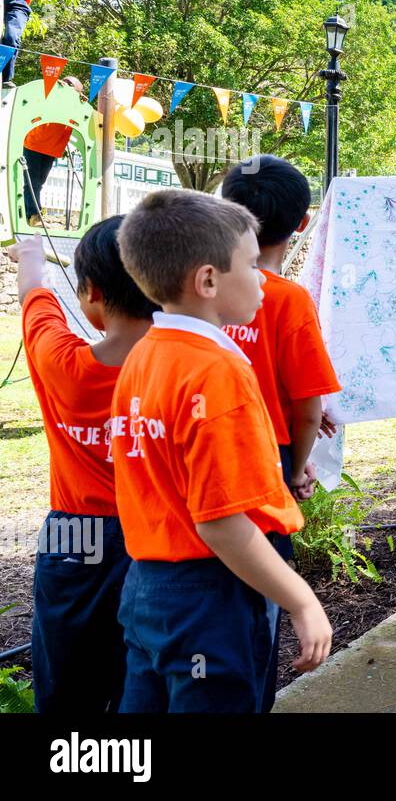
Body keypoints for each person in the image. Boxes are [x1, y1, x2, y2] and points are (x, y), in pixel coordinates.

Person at [111, 189, 332, 712]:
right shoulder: (218, 371)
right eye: (252, 265)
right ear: (208, 281)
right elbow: (222, 523)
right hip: (212, 594)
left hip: (146, 587)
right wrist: (301, 601)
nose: (261, 278)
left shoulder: (143, 357)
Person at [6, 220, 159, 712]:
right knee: (144, 669)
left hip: (73, 532)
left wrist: (30, 254)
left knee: (65, 675)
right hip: (156, 534)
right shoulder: (187, 368)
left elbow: (35, 293)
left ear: (92, 292)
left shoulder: (60, 360)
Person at [219, 155, 342, 710]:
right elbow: (308, 407)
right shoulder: (287, 298)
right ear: (301, 223)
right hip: (266, 467)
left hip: (201, 466)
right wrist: (296, 469)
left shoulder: (194, 289)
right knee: (259, 600)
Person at [20, 76, 85, 226]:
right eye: (67, 84)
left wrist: (80, 102)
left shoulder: (76, 105)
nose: (68, 87)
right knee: (32, 182)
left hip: (52, 148)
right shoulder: (50, 94)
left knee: (39, 183)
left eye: (72, 87)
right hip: (34, 143)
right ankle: (33, 215)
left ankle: (30, 214)